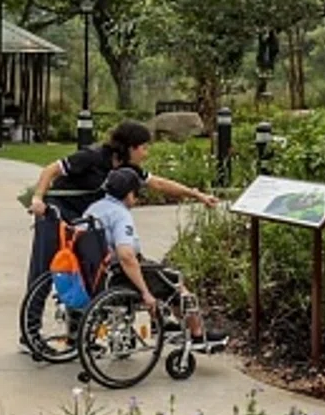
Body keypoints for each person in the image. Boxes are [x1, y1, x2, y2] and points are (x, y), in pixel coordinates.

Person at [19, 120, 219, 349]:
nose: (146, 153)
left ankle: (77, 337)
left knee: (84, 275)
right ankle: (30, 335)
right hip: (55, 213)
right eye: (144, 147)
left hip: (83, 221)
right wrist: (37, 199)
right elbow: (50, 170)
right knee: (43, 271)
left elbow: (160, 184)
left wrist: (197, 195)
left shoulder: (127, 170)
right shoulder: (93, 157)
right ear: (131, 147)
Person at [84, 167, 226, 348]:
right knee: (174, 281)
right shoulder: (120, 215)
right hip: (118, 276)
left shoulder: (94, 208)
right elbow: (126, 256)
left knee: (155, 271)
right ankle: (198, 333)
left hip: (96, 273)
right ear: (129, 194)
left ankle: (162, 323)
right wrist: (145, 292)